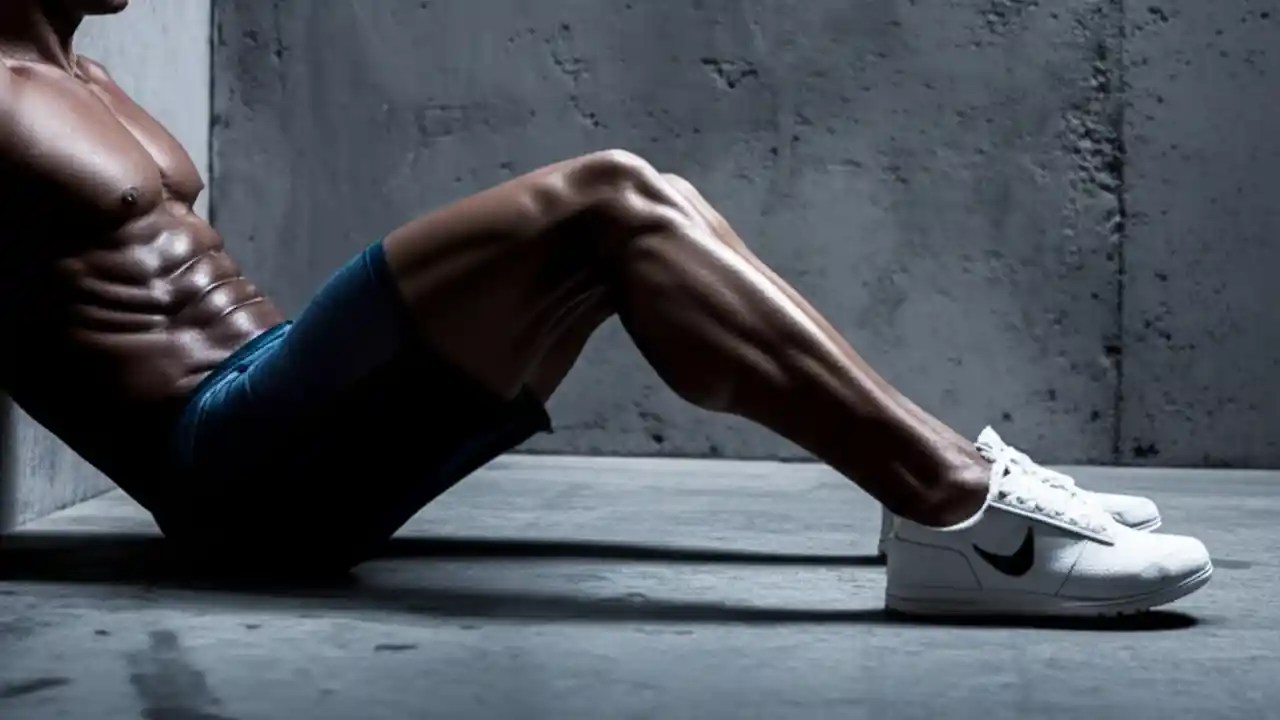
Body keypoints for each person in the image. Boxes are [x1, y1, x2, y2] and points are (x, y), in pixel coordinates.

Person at [0, 0, 1211, 616]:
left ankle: (939, 490)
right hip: (231, 475)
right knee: (608, 199)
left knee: (644, 217)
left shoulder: (85, 77)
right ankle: (968, 521)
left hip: (290, 416)